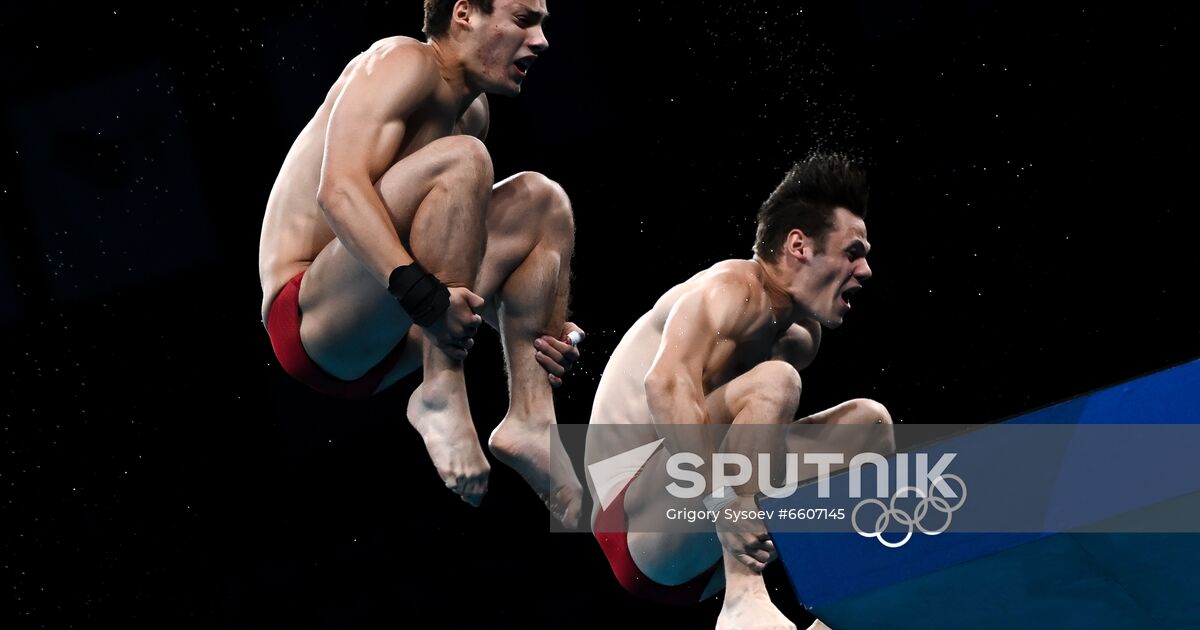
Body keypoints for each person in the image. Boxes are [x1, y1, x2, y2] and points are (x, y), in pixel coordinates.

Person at [257, 0, 584, 528]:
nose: (542, 41)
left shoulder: (473, 114)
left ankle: (531, 419)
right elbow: (338, 191)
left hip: (395, 322)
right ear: (464, 14)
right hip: (311, 319)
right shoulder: (399, 62)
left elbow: (449, 252)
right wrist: (427, 299)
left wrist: (542, 327)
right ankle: (441, 388)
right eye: (525, 20)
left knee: (542, 200)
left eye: (542, 24)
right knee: (465, 159)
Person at [584, 154, 895, 629]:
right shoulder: (728, 290)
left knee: (870, 426)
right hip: (632, 523)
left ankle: (837, 609)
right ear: (798, 245)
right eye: (853, 252)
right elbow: (663, 385)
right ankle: (743, 595)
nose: (866, 270)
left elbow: (754, 446)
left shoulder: (801, 336)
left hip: (700, 538)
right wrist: (724, 503)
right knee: (776, 382)